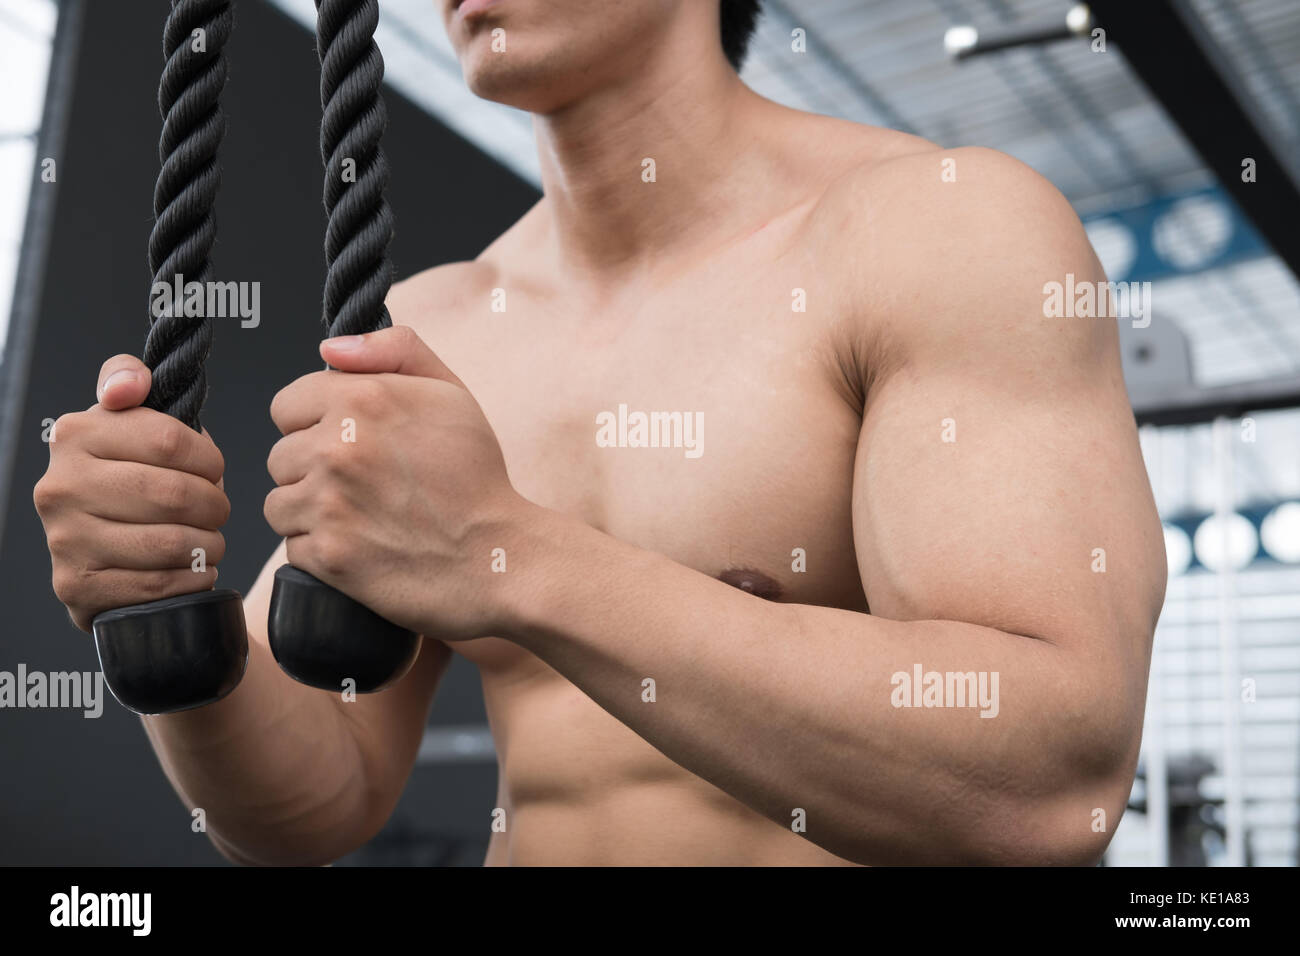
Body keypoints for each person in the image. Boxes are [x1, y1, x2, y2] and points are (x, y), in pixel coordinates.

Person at [33, 0, 1166, 865]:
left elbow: (1049, 777)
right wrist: (168, 618)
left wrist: (509, 555)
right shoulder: (433, 323)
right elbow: (313, 801)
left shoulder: (941, 228)